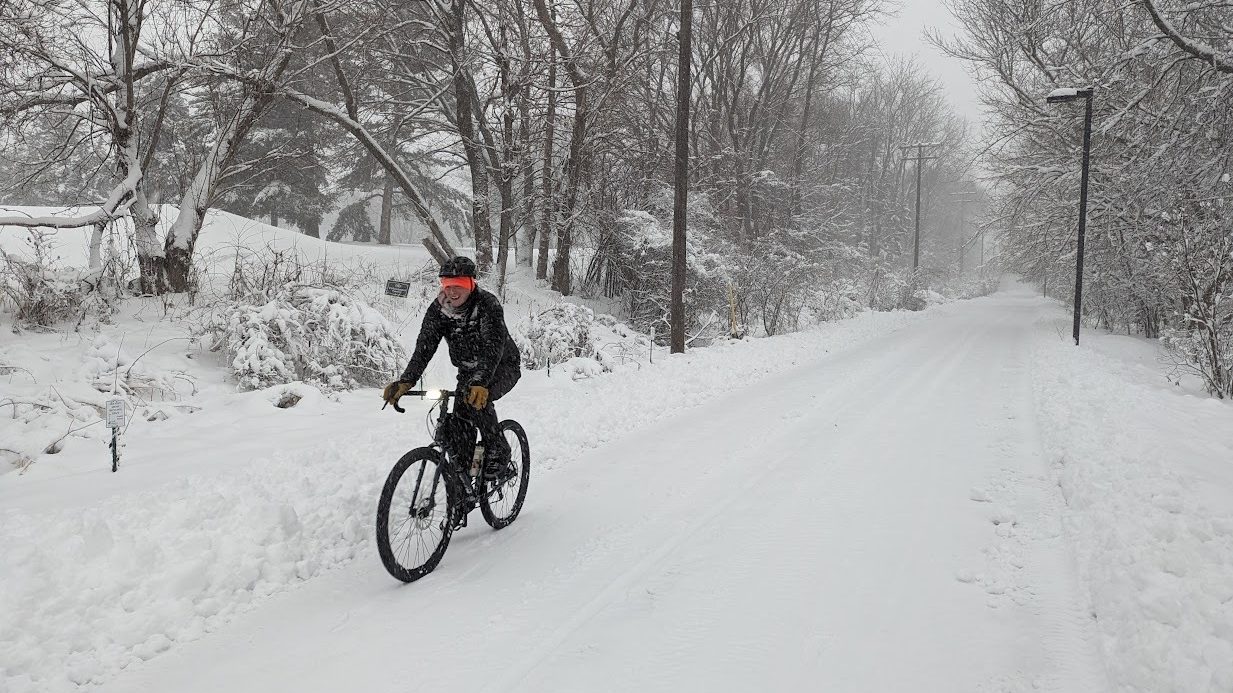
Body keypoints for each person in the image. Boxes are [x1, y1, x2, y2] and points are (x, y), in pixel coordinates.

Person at [383, 256, 521, 484]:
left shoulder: (487, 305)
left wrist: (480, 383)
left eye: (459, 285)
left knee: (476, 402)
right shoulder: (440, 309)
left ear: (472, 283)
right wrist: (407, 380)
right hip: (467, 371)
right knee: (458, 426)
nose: (452, 292)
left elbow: (492, 348)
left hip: (502, 366)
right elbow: (424, 346)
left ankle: (498, 449)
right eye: (447, 285)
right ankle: (466, 478)